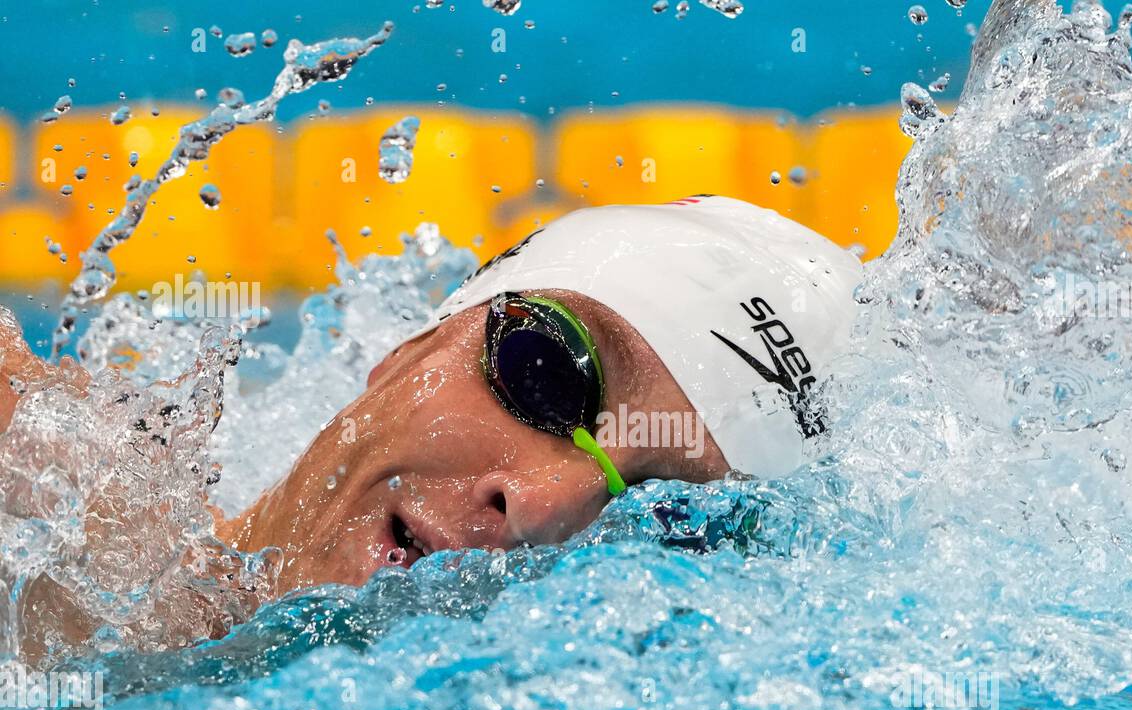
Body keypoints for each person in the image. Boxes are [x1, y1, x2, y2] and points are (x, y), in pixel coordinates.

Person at [3, 196, 862, 604]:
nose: (539, 502)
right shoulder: (44, 502)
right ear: (415, 343)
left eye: (662, 512)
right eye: (546, 375)